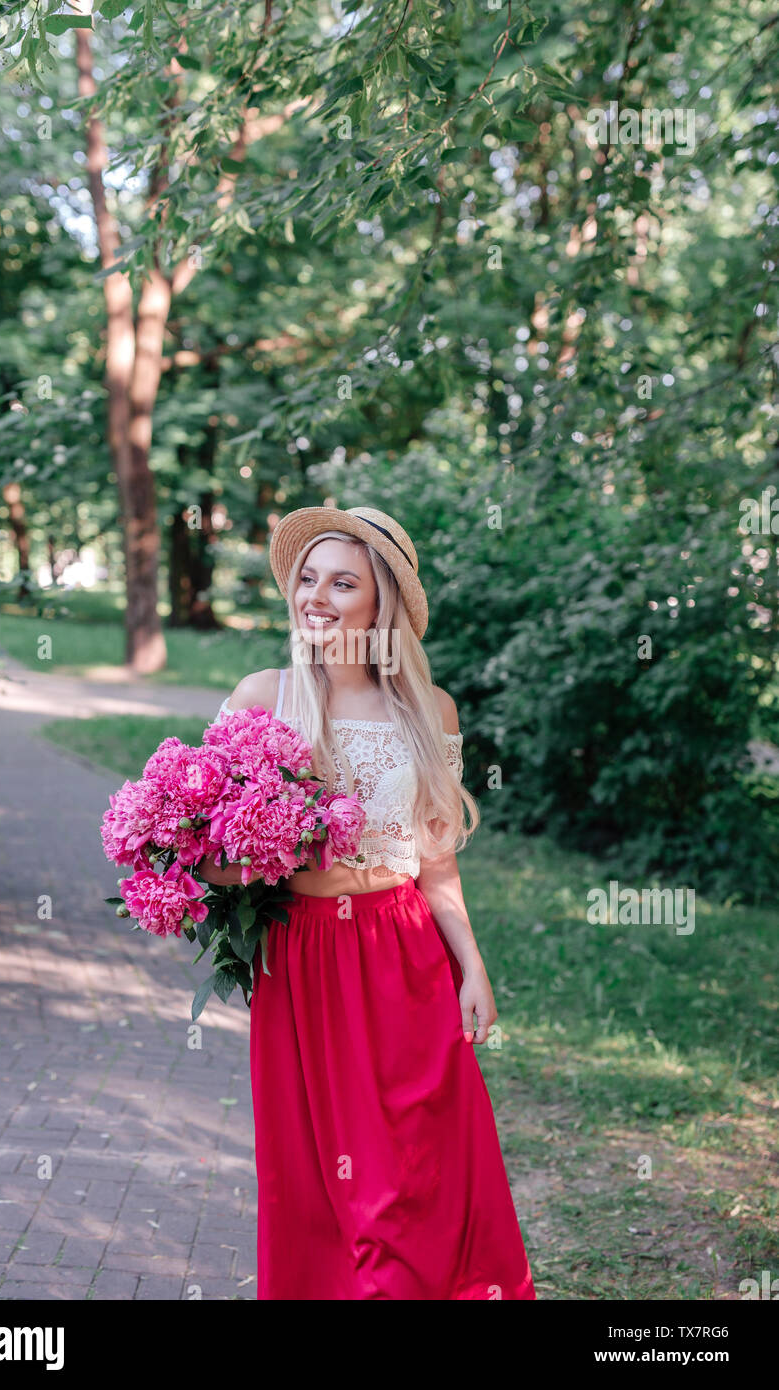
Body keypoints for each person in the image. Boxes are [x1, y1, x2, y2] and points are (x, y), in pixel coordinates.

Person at [200, 505, 536, 1301]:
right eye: (307, 579)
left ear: (380, 601)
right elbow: (202, 854)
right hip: (303, 956)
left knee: (415, 1166)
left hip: (403, 953)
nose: (316, 596)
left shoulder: (431, 712)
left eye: (342, 581)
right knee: (317, 1175)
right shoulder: (262, 696)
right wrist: (241, 863)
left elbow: (437, 864)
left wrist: (472, 967)